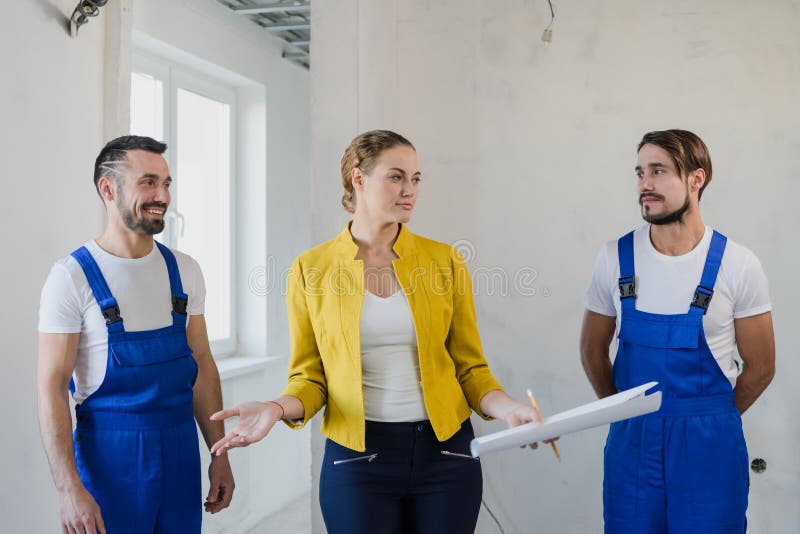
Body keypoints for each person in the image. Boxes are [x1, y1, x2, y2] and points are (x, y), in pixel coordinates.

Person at [210, 130, 544, 534]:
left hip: (447, 457)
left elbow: (470, 368)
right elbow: (310, 379)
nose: (410, 190)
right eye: (396, 177)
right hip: (357, 460)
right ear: (358, 179)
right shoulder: (310, 269)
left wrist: (510, 409)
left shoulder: (445, 261)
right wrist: (274, 408)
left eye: (416, 179)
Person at [580, 129, 775, 533]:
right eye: (639, 173)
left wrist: (710, 417)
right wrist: (626, 415)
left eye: (658, 171)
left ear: (696, 179)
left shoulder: (738, 264)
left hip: (710, 448)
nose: (644, 185)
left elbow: (762, 366)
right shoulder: (614, 258)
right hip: (632, 444)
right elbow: (592, 351)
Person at [37, 135, 234, 534]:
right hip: (110, 464)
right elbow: (51, 387)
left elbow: (201, 364)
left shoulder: (185, 270)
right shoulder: (71, 278)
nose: (162, 195)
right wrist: (68, 489)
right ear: (108, 189)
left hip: (181, 454)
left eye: (167, 183)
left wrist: (219, 452)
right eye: (148, 182)